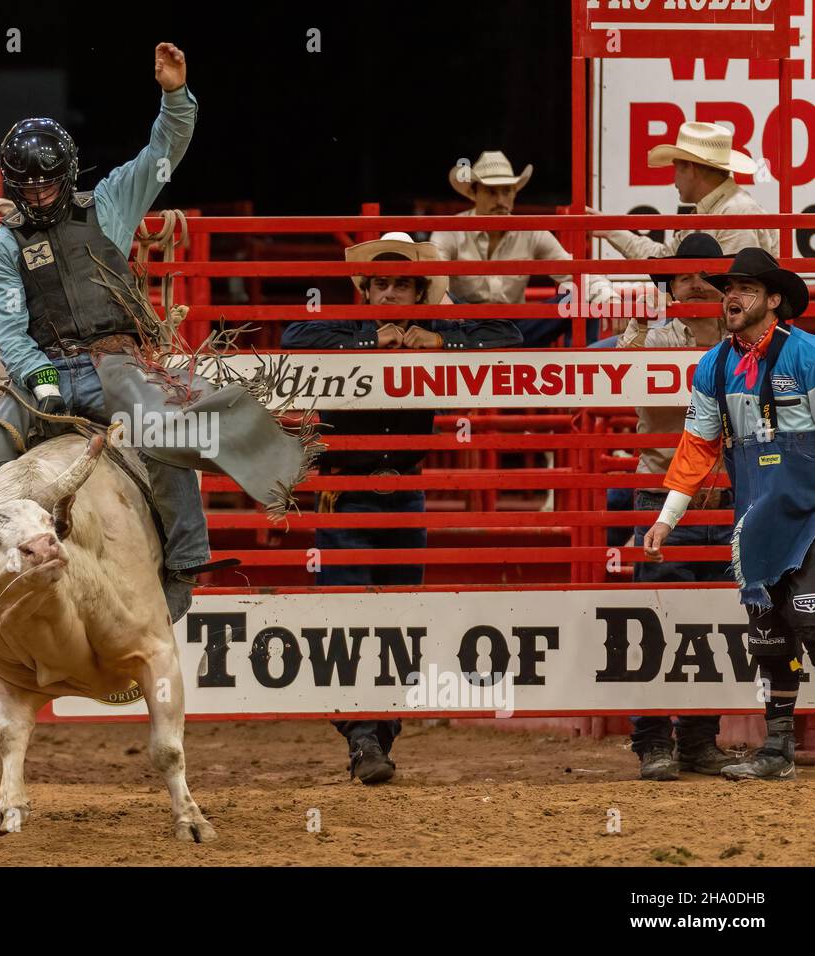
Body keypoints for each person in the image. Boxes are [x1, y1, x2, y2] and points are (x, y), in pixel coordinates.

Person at [0, 42, 210, 623]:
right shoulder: (4, 244)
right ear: (12, 186)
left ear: (66, 178)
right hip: (49, 369)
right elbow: (10, 329)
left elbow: (166, 149)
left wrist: (174, 94)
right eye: (26, 188)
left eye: (47, 186)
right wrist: (42, 379)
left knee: (165, 430)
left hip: (117, 361)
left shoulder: (108, 203)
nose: (37, 196)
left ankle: (184, 560)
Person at [282, 232, 522, 785]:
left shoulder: (435, 333)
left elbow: (508, 334)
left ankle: (375, 737)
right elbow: (294, 337)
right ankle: (366, 735)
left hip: (403, 492)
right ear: (366, 289)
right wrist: (372, 346)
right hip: (347, 492)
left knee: (399, 618)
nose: (390, 292)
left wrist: (443, 345)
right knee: (348, 617)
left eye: (403, 283)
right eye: (382, 282)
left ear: (420, 290)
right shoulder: (340, 330)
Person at [645, 247, 815, 780]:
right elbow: (697, 445)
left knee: (810, 617)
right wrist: (667, 517)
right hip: (759, 519)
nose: (731, 297)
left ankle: (779, 747)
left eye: (745, 288)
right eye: (730, 288)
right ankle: (778, 748)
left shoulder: (806, 355)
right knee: (767, 634)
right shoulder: (714, 365)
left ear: (773, 299)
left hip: (810, 514)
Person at [621, 233, 736, 781]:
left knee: (712, 622)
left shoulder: (744, 342)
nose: (694, 282)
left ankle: (697, 738)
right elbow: (622, 383)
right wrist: (640, 325)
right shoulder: (651, 335)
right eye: (684, 273)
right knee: (658, 618)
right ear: (669, 283)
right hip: (663, 494)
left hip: (727, 500)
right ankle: (651, 740)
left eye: (704, 273)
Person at [431, 150, 621, 347]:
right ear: (474, 193)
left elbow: (575, 271)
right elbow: (433, 271)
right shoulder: (450, 230)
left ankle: (580, 365)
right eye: (491, 191)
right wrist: (442, 296)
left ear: (514, 193)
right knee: (438, 294)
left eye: (506, 191)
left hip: (517, 328)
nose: (500, 201)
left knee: (581, 296)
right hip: (467, 325)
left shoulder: (531, 232)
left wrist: (610, 298)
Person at [591, 121, 778, 260]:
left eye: (676, 168)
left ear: (689, 168)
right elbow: (664, 257)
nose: (674, 179)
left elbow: (734, 287)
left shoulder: (735, 212)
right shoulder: (720, 209)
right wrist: (610, 231)